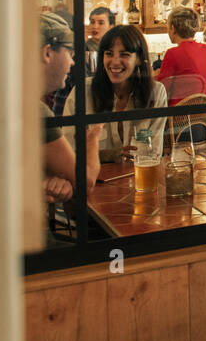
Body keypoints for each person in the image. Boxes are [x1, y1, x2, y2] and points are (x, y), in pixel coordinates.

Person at [64, 23, 168, 163]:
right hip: (95, 180)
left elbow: (154, 152)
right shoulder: (82, 93)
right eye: (109, 54)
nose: (115, 62)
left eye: (124, 54)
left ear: (138, 59)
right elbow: (67, 152)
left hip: (138, 179)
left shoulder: (156, 92)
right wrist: (105, 155)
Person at [39, 12, 101, 203]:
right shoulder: (35, 111)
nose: (73, 62)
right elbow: (86, 182)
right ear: (48, 53)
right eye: (70, 53)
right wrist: (92, 139)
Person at [158, 6, 206, 104]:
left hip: (179, 116)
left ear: (172, 28)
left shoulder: (172, 54)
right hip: (205, 114)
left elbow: (161, 89)